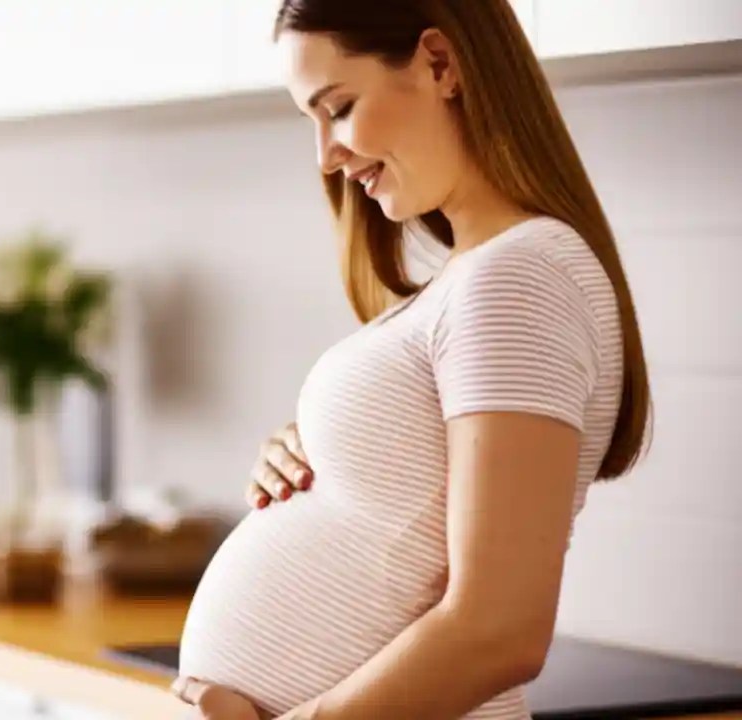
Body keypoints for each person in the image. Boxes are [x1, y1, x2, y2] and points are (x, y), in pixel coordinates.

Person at [171, 1, 651, 718]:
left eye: (339, 108)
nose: (325, 156)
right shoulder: (476, 277)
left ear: (440, 64)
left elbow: (501, 631)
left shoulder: (521, 274)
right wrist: (309, 461)